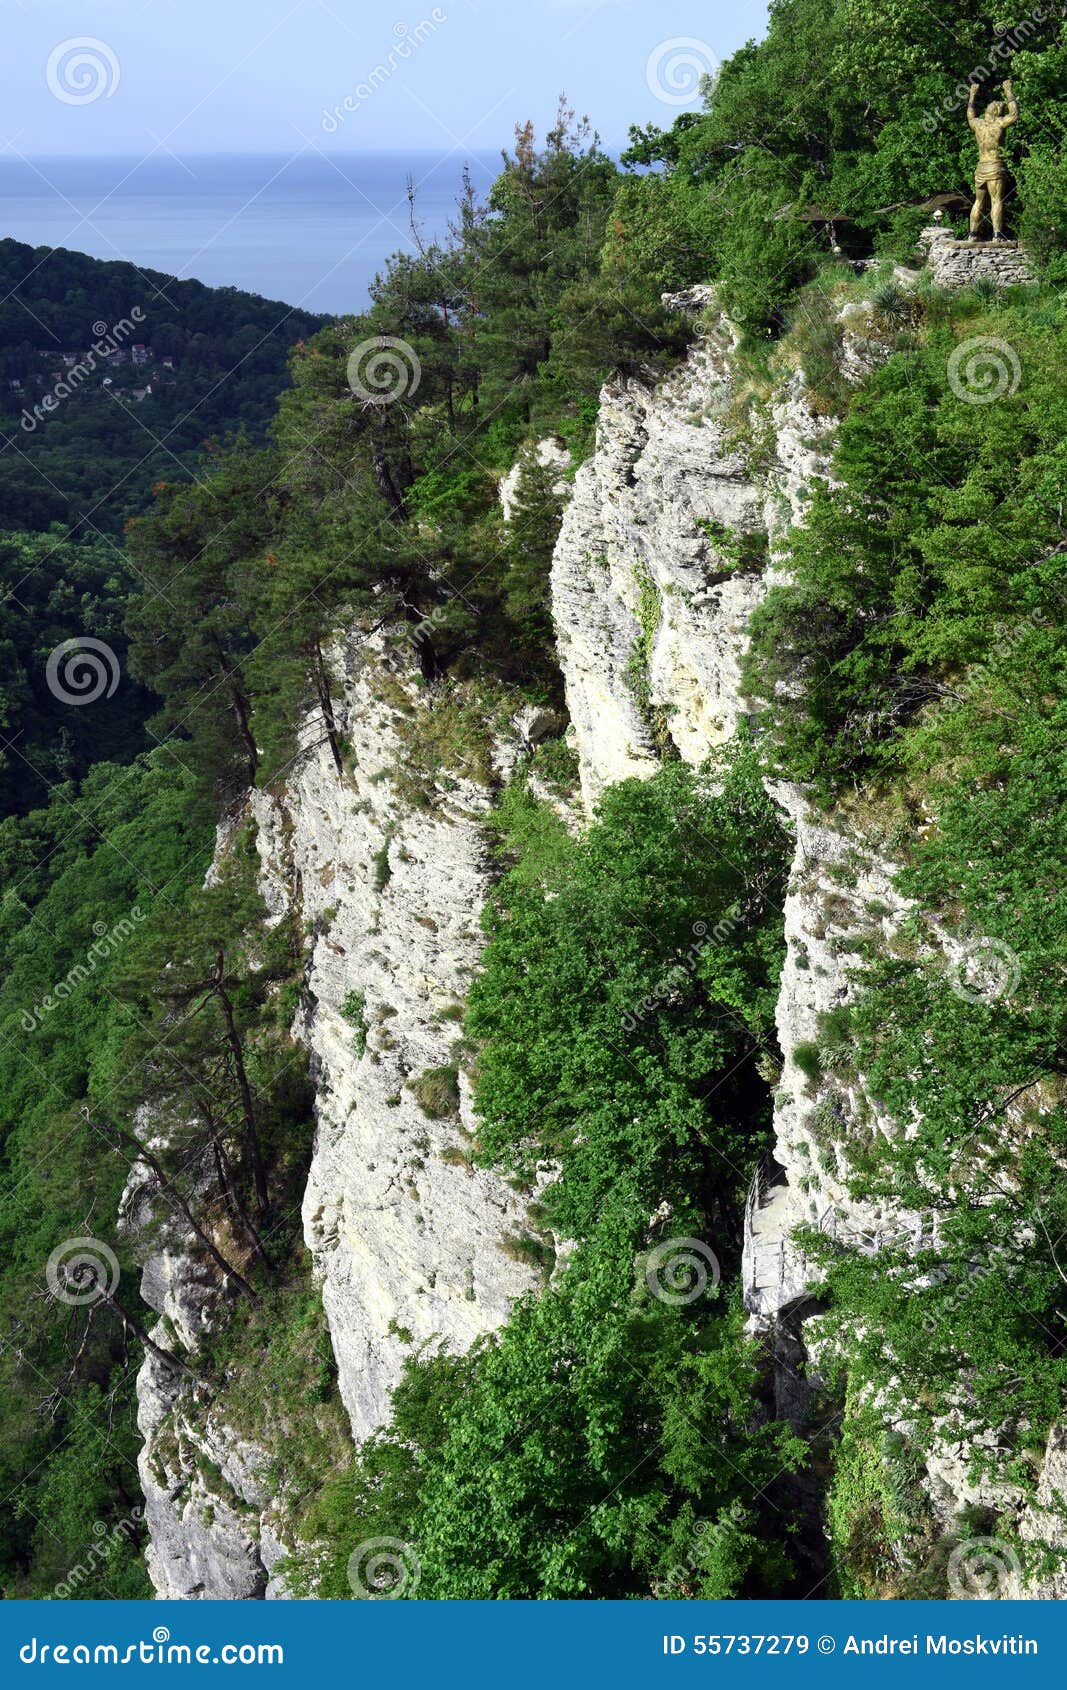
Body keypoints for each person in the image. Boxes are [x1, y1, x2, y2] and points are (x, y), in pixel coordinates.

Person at [967, 79, 1018, 241]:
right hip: (994, 166)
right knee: (996, 201)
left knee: (978, 201)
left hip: (981, 167)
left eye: (995, 104)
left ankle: (972, 235)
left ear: (992, 111)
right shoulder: (999, 123)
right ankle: (996, 236)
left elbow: (970, 115)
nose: (993, 104)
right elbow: (1014, 114)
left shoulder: (978, 124)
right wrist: (1008, 91)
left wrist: (972, 96)